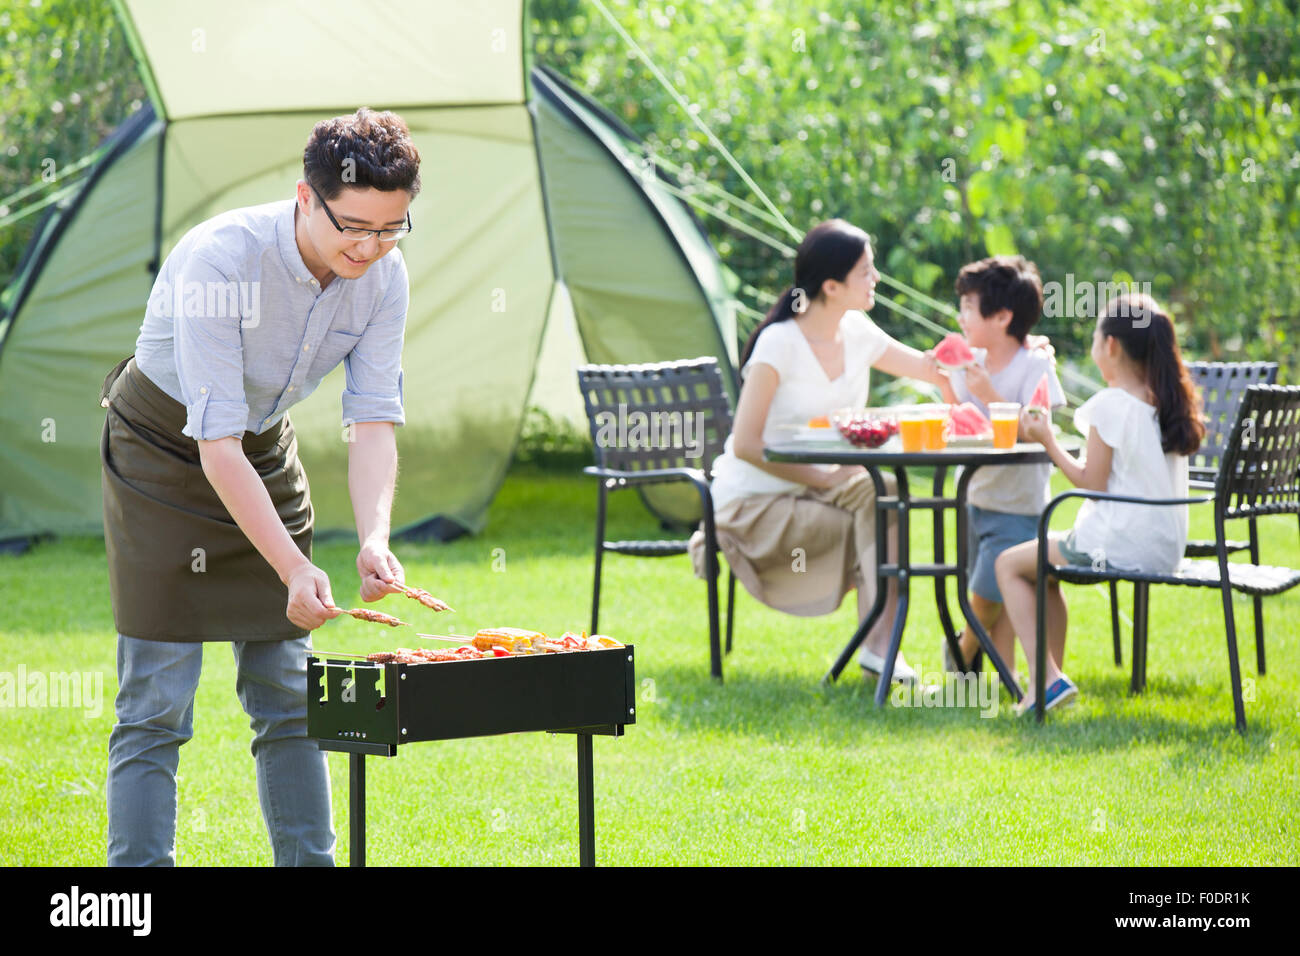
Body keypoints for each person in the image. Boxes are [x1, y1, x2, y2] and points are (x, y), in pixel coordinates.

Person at [101, 108, 421, 865]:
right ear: (307, 199)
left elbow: (372, 419)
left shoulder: (382, 277)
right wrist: (291, 567)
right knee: (157, 700)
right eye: (355, 227)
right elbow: (213, 443)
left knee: (288, 688)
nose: (371, 248)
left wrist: (374, 535)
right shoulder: (220, 260)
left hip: (262, 449)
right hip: (163, 448)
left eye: (392, 229)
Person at [689, 219, 952, 682]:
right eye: (866, 272)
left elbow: (929, 368)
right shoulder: (779, 344)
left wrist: (985, 360)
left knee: (888, 491)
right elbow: (748, 445)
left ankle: (879, 647)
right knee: (872, 505)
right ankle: (878, 646)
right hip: (755, 500)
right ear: (832, 286)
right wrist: (826, 478)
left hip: (823, 485)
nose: (876, 279)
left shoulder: (857, 332)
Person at [995, 294, 1205, 714]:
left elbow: (1093, 485)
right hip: (1164, 548)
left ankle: (1046, 680)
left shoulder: (1109, 405)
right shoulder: (1166, 403)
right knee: (1042, 571)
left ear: (1110, 346)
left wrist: (1048, 440)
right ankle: (1049, 684)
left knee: (1008, 565)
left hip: (1117, 544)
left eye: (1094, 339)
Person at [938, 256, 1065, 682]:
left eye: (970, 307)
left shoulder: (1034, 365)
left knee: (992, 590)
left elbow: (1035, 428)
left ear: (1003, 316)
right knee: (999, 594)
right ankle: (1004, 675)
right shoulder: (969, 363)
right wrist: (947, 386)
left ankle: (963, 649)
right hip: (974, 494)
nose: (961, 316)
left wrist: (989, 394)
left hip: (1018, 502)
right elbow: (960, 421)